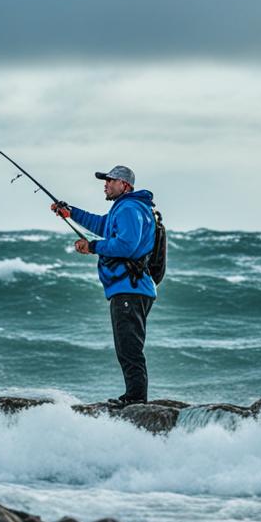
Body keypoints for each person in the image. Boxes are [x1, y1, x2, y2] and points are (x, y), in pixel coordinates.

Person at [50, 165, 158, 406]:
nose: (106, 184)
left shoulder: (129, 208)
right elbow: (101, 225)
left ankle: (136, 399)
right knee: (127, 347)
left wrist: (92, 247)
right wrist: (70, 212)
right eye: (106, 180)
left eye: (111, 180)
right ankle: (134, 396)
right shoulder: (125, 208)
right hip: (130, 288)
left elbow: (127, 245)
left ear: (125, 186)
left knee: (129, 348)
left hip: (130, 289)